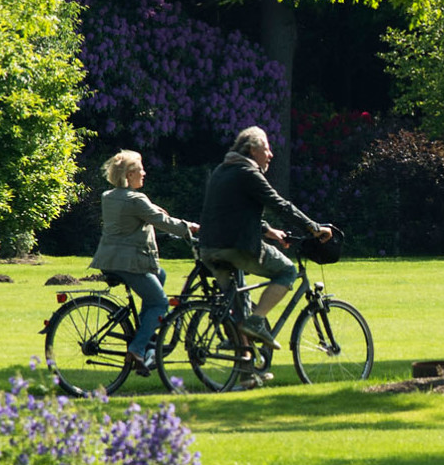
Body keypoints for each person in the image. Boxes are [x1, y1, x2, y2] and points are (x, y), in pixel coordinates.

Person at [198, 126, 334, 363]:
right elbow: (280, 204)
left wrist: (268, 231)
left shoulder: (223, 170)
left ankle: (246, 373)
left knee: (238, 309)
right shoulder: (248, 172)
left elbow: (230, 213)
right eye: (267, 148)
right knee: (287, 271)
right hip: (236, 247)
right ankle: (257, 319)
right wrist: (313, 228)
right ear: (252, 149)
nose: (271, 154)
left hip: (209, 248)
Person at [91, 149, 198, 374]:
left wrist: (160, 213)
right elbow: (161, 221)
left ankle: (146, 334)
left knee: (160, 275)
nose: (145, 173)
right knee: (160, 303)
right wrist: (189, 229)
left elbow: (144, 214)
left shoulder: (109, 196)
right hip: (129, 262)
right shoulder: (136, 200)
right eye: (140, 170)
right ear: (129, 175)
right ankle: (138, 349)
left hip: (110, 259)